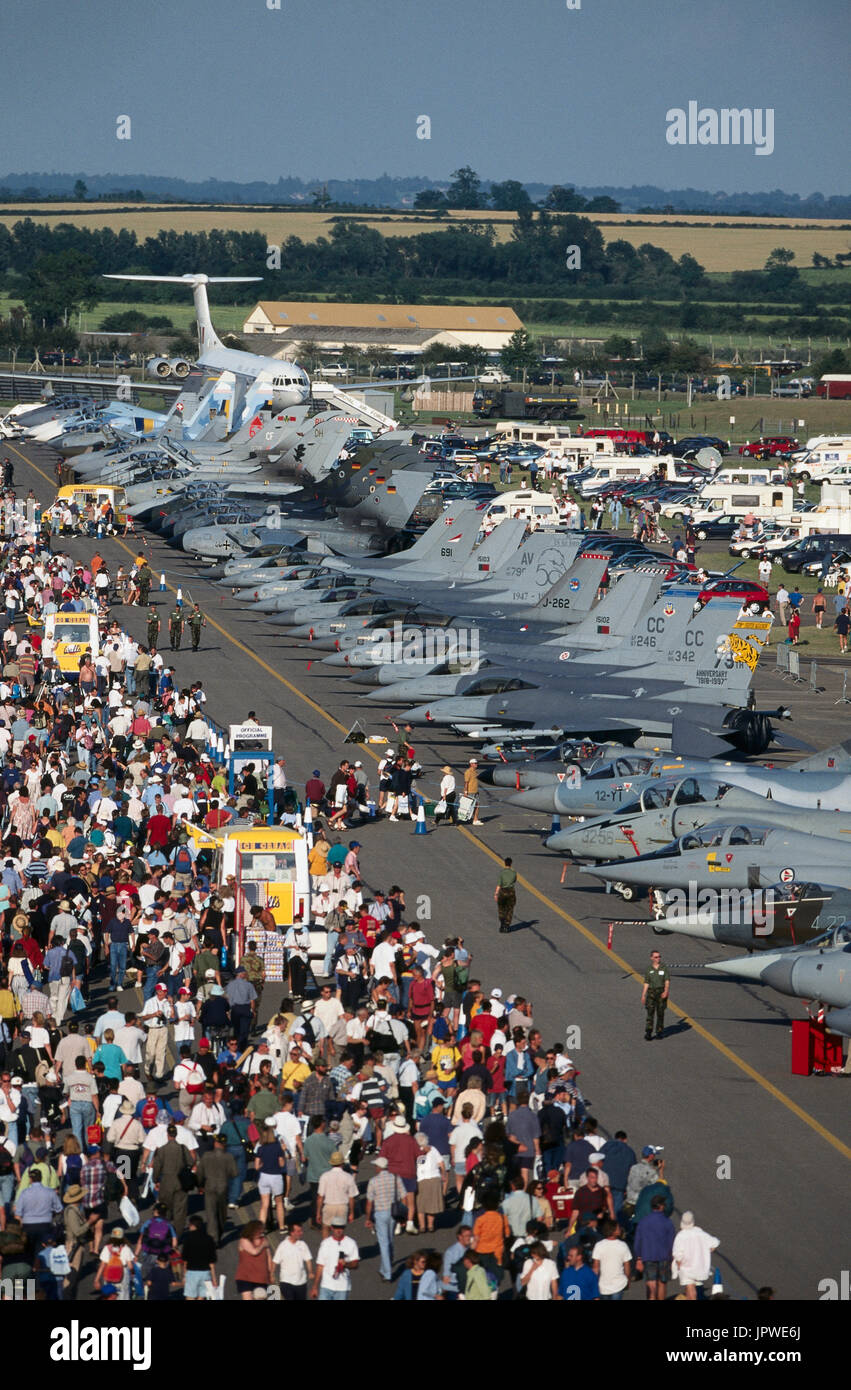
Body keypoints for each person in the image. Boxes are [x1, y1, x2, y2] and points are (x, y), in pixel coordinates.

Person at [633, 1193, 676, 1300]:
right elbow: (672, 1242)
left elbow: (638, 1241)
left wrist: (638, 1258)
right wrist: (672, 1258)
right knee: (662, 1283)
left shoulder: (643, 1222)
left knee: (651, 1284)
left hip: (648, 1256)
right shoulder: (667, 1222)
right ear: (660, 1206)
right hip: (664, 1257)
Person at [671, 1210, 720, 1299]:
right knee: (691, 1288)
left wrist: (678, 1265)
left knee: (690, 1288)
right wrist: (705, 1252)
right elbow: (715, 1243)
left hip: (686, 1267)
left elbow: (677, 1254)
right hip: (699, 1266)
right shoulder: (700, 1232)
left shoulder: (681, 1236)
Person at [311, 1220, 359, 1300]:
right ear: (332, 1228)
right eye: (336, 1228)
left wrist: (346, 1264)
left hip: (342, 1288)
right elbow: (320, 1265)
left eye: (341, 1228)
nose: (338, 1230)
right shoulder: (325, 1243)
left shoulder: (351, 1243)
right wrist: (315, 1287)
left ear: (344, 1228)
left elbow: (355, 1264)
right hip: (326, 1286)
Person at [273, 1219, 314, 1301]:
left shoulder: (302, 1244)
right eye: (298, 1231)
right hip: (286, 1281)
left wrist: (310, 1272)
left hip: (301, 1281)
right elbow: (275, 1261)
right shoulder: (283, 1246)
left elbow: (308, 1260)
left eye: (301, 1231)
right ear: (292, 1233)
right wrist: (271, 1274)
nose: (301, 1233)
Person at [591, 1218, 632, 1300]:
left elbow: (595, 1267)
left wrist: (593, 1284)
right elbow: (627, 1265)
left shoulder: (599, 1245)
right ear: (613, 1231)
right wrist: (628, 1279)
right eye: (618, 1228)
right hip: (619, 1284)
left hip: (602, 1285)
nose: (620, 1229)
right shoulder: (623, 1245)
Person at [235, 1220, 274, 1299]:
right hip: (245, 1277)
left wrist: (270, 1273)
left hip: (261, 1277)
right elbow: (254, 1252)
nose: (261, 1233)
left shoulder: (263, 1240)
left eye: (262, 1232)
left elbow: (269, 1257)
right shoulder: (244, 1240)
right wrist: (263, 1245)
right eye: (259, 1231)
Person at [641, 949, 670, 1040]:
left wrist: (666, 991)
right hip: (651, 993)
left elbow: (667, 981)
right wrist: (643, 995)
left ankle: (659, 1032)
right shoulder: (649, 969)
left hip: (661, 992)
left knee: (660, 1013)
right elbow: (646, 982)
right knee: (650, 1012)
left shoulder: (663, 968)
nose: (658, 958)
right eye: (656, 957)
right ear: (652, 958)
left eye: (659, 957)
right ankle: (648, 1032)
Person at [495, 857, 517, 934]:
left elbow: (499, 884)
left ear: (505, 863)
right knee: (510, 909)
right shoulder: (514, 873)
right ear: (511, 863)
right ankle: (507, 926)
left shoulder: (502, 873)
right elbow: (514, 881)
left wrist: (496, 894)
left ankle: (502, 924)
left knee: (501, 908)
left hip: (502, 892)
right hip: (511, 892)